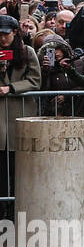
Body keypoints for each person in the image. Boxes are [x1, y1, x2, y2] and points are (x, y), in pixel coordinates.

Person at [0, 15, 41, 209]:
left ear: (15, 33)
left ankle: (19, 209)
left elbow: (35, 80)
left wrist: (12, 88)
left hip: (20, 113)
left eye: (5, 34)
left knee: (19, 168)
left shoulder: (28, 52)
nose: (2, 38)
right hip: (1, 117)